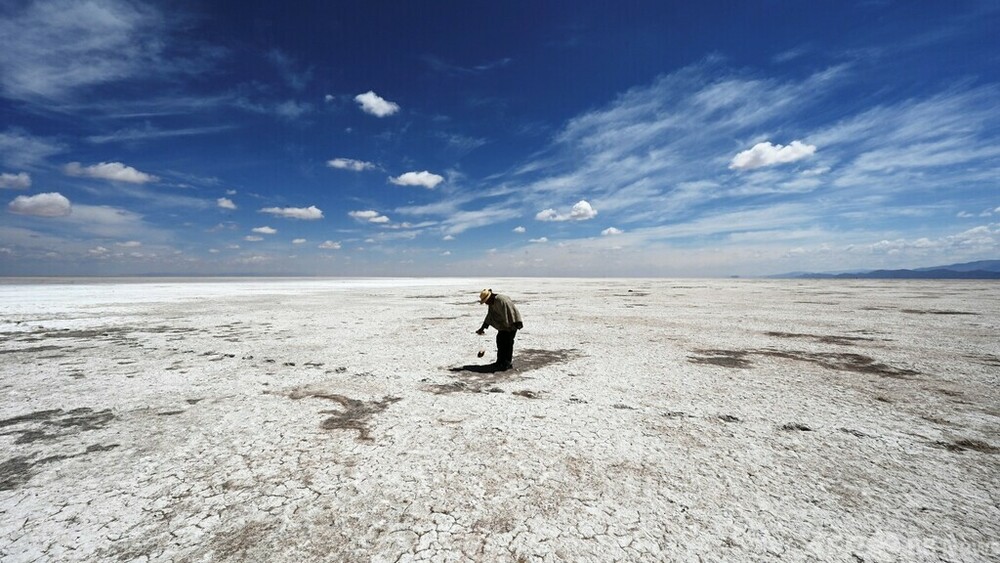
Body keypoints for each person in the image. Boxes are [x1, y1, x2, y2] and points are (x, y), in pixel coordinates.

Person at [475, 288, 523, 371]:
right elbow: (490, 316)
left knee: (507, 344)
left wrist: (513, 325)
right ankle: (500, 362)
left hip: (512, 325)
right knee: (500, 341)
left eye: (486, 301)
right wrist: (482, 328)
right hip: (504, 326)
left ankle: (506, 364)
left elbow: (511, 313)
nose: (486, 303)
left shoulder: (502, 300)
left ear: (490, 297)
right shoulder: (492, 302)